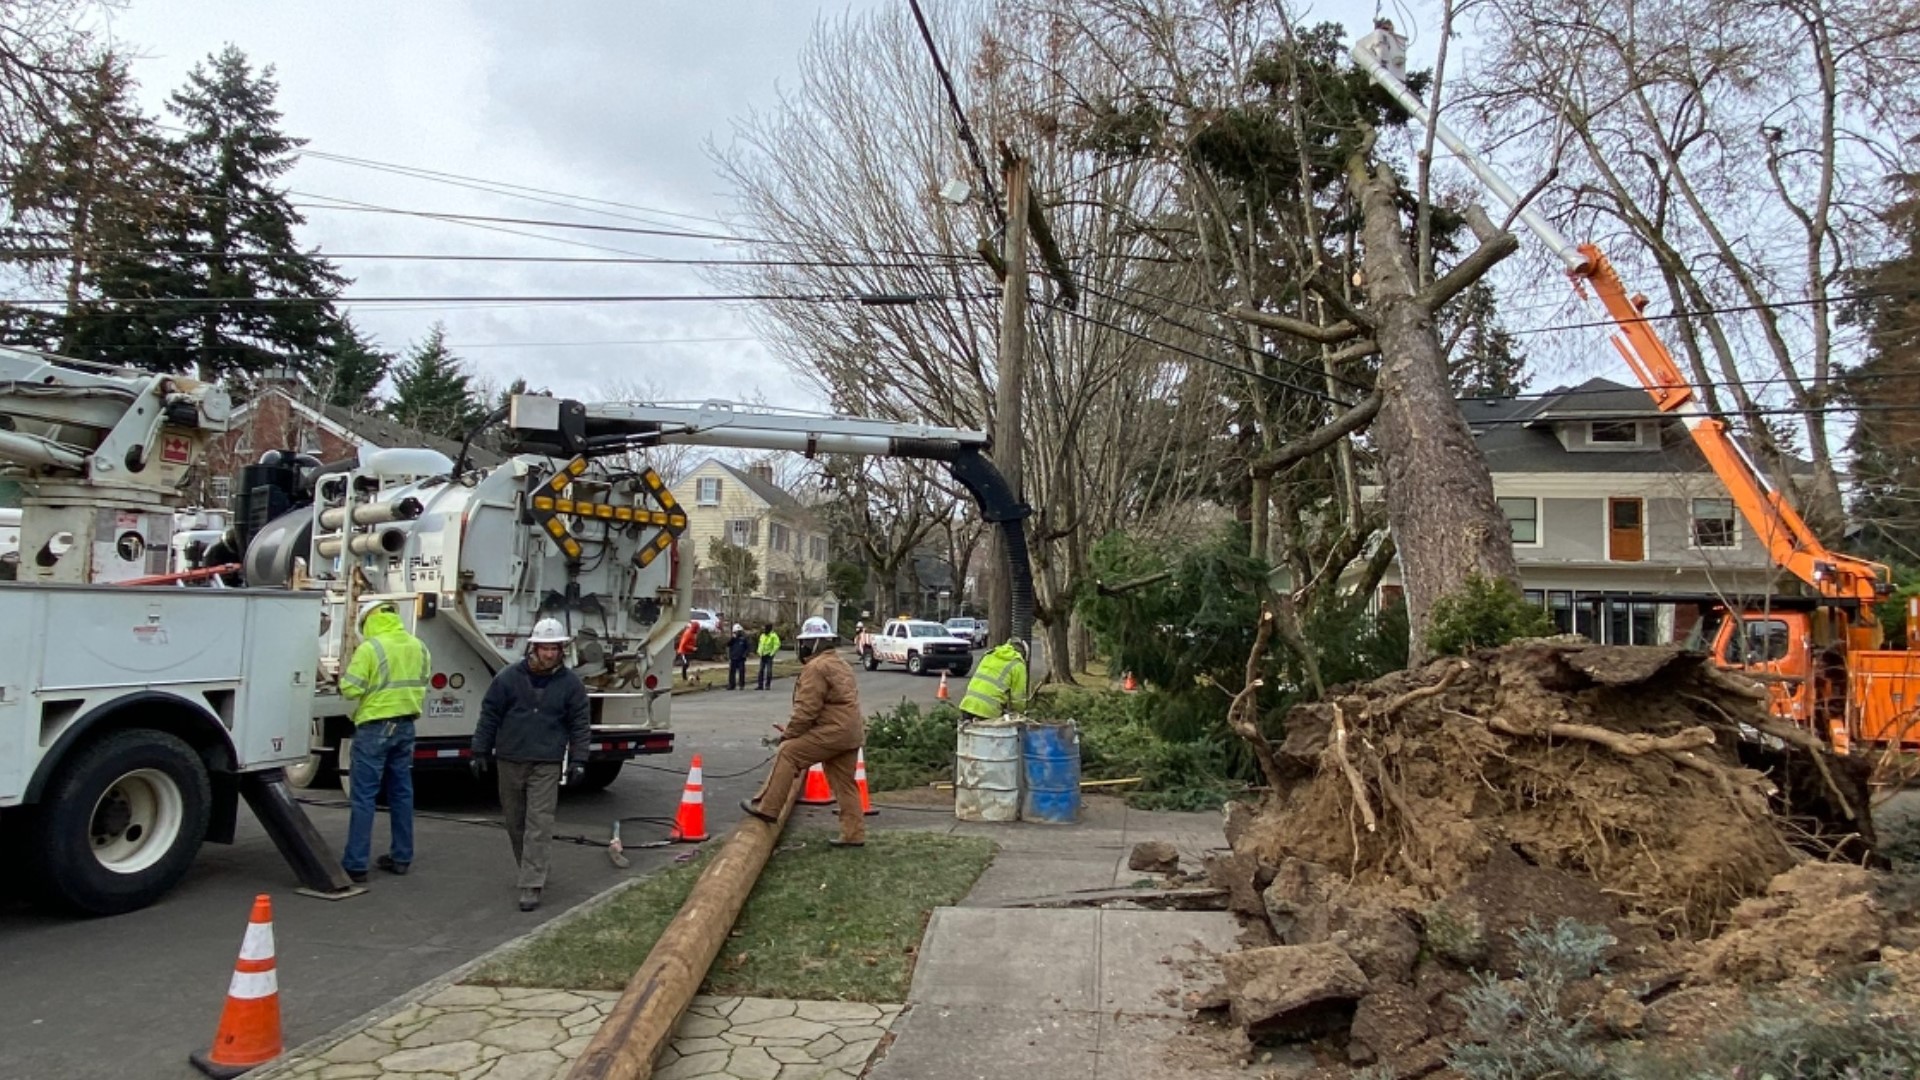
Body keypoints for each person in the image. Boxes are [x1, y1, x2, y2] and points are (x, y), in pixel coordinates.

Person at [470, 618, 591, 912]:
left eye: (556, 648)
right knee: (516, 821)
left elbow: (580, 725)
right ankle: (530, 866)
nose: (550, 654)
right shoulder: (508, 678)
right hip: (511, 758)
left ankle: (531, 882)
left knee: (540, 822)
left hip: (546, 762)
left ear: (563, 650)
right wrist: (479, 751)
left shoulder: (571, 685)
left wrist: (579, 760)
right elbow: (489, 715)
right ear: (533, 647)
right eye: (545, 648)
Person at [740, 616, 865, 846]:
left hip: (832, 732)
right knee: (845, 784)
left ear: (815, 644)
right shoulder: (841, 663)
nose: (803, 648)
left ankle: (768, 808)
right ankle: (853, 834)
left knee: (788, 752)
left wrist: (789, 734)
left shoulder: (815, 667)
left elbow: (807, 710)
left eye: (806, 644)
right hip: (850, 732)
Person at [339, 598, 431, 884]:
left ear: (369, 621)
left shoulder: (371, 648)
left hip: (374, 727)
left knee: (364, 797)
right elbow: (424, 679)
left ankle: (356, 864)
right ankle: (401, 857)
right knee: (402, 793)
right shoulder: (419, 646)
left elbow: (351, 690)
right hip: (406, 727)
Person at [959, 639, 1030, 720]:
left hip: (967, 705)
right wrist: (1020, 713)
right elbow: (1018, 698)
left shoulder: (990, 654)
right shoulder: (1018, 665)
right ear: (1023, 654)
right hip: (988, 711)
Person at [755, 622, 781, 690]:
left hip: (769, 655)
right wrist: (759, 651)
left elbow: (777, 645)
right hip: (762, 655)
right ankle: (760, 685)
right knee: (761, 670)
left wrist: (772, 653)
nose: (764, 630)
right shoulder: (762, 635)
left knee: (769, 671)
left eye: (765, 628)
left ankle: (767, 685)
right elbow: (760, 644)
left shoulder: (773, 636)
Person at [726, 623, 751, 690]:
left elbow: (747, 648)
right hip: (733, 658)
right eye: (736, 632)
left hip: (741, 658)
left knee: (741, 671)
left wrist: (745, 654)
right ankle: (731, 685)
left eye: (738, 632)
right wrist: (732, 638)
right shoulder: (733, 640)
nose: (737, 633)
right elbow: (728, 644)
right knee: (732, 672)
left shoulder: (743, 639)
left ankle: (741, 685)